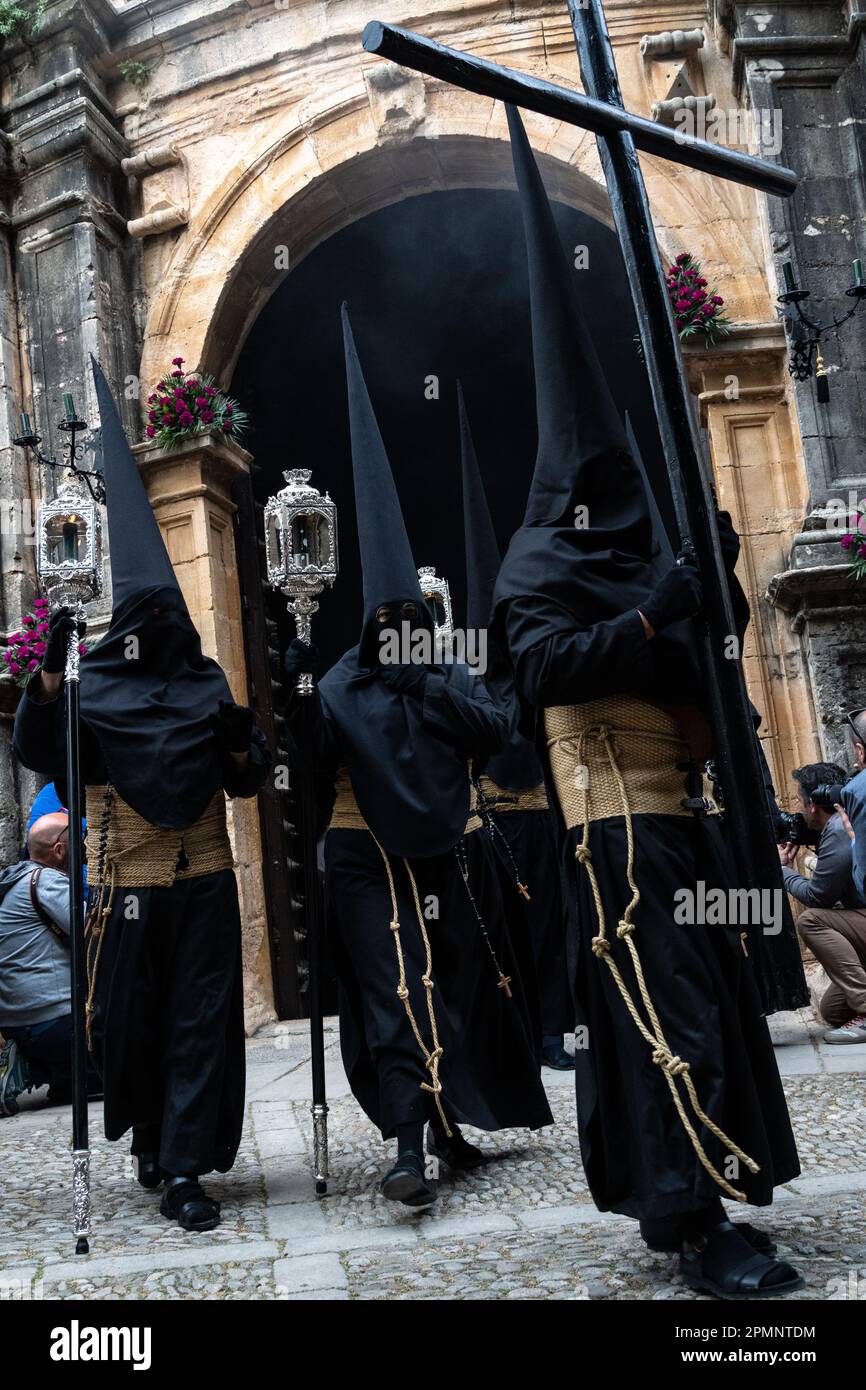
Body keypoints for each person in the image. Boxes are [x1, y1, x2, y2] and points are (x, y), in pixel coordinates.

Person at [490, 105, 802, 1299]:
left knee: (708, 995)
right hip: (612, 828)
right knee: (656, 999)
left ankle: (707, 1187)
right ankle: (694, 1211)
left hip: (686, 815)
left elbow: (701, 657)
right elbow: (543, 670)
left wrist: (700, 579)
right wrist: (649, 612)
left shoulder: (637, 555)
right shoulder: (535, 561)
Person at [284, 306, 552, 1209]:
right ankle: (407, 1142)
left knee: (453, 983)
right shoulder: (337, 686)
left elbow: (498, 735)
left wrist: (429, 677)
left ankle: (449, 1124)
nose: (400, 634)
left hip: (443, 849)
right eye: (389, 627)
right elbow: (311, 783)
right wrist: (299, 705)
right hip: (364, 853)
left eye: (414, 624)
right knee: (393, 987)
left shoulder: (441, 671)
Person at [13, 361, 271, 1232]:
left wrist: (246, 742)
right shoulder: (96, 691)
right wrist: (49, 679)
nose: (162, 632)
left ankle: (189, 1166)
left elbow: (242, 779)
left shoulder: (203, 683)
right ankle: (155, 1141)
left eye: (172, 617)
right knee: (138, 1023)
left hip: (203, 878)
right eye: (148, 618)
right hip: (126, 885)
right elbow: (41, 750)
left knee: (201, 1018)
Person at [458, 384, 573, 1069]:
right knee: (500, 934)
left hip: (539, 816)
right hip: (488, 825)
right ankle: (517, 1034)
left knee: (551, 929)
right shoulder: (461, 678)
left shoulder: (526, 667)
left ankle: (555, 1030)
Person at [0, 812, 100, 1105]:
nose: (82, 849)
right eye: (77, 844)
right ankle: (40, 1068)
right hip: (55, 1022)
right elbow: (96, 934)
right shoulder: (47, 883)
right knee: (133, 1042)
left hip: (17, 1024)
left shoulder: (12, 882)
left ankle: (56, 1074)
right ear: (59, 850)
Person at [778, 761, 866, 1042]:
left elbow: (818, 896)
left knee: (811, 920)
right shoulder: (841, 824)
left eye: (802, 803)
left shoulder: (838, 831)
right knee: (833, 1010)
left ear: (813, 805)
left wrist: (782, 872)